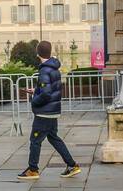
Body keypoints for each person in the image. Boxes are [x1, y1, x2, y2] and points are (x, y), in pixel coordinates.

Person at [18, 41, 82, 181]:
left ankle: (33, 170)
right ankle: (72, 165)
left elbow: (46, 94)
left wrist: (34, 99)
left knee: (35, 140)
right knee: (54, 138)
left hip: (44, 112)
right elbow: (50, 89)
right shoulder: (54, 68)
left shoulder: (44, 70)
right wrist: (36, 90)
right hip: (53, 111)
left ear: (37, 53)